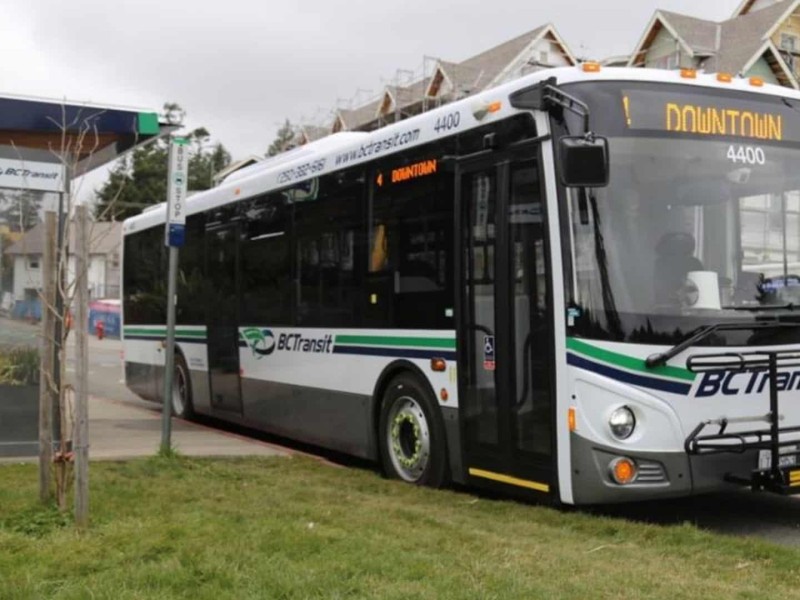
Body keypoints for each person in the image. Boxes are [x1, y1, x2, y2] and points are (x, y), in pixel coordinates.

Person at [654, 232, 704, 306]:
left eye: (684, 245)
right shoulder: (660, 264)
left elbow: (700, 292)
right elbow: (659, 291)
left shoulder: (694, 264)